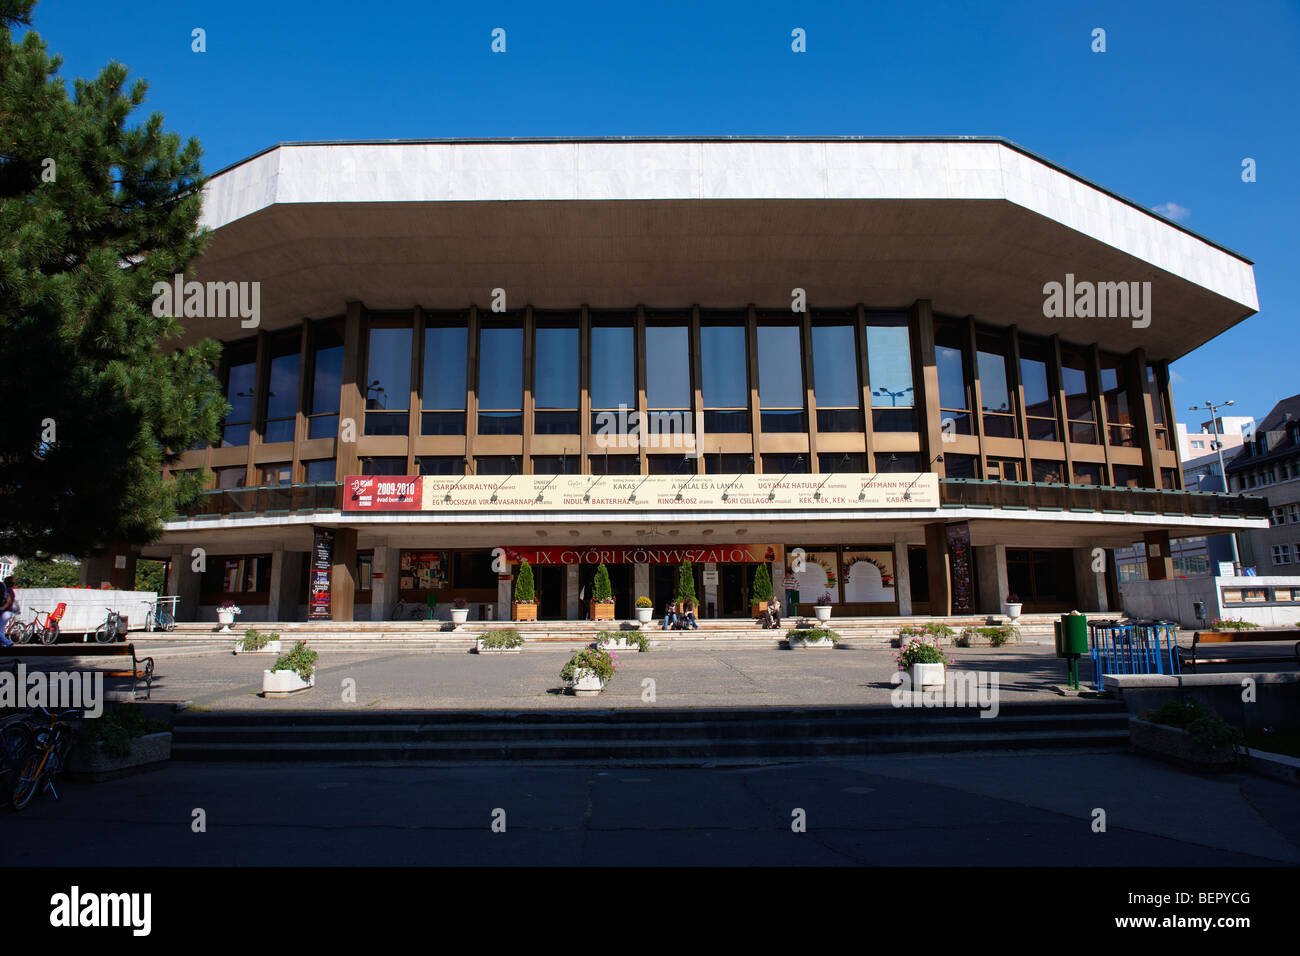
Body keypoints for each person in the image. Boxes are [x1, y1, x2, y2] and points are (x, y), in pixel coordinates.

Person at [0, 576, 17, 647]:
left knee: (0, 628)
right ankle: (2, 643)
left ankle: (7, 642)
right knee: (1, 629)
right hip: (8, 612)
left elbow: (8, 600)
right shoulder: (11, 590)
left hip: (6, 611)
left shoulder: (7, 590)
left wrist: (2, 608)